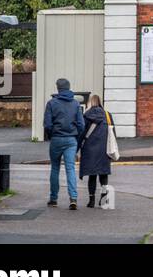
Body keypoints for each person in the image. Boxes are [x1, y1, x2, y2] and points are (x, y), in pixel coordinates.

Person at [43, 78, 85, 209]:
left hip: (56, 138)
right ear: (69, 87)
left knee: (55, 168)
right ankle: (73, 198)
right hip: (71, 139)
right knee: (70, 169)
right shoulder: (75, 104)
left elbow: (47, 124)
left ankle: (53, 199)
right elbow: (81, 125)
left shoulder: (51, 103)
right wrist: (76, 136)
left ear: (58, 88)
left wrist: (52, 135)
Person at [79, 94, 114, 209]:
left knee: (92, 175)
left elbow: (82, 133)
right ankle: (104, 200)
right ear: (100, 102)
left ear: (90, 102)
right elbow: (113, 134)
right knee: (103, 174)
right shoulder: (108, 115)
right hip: (104, 149)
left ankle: (91, 200)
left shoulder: (86, 115)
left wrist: (77, 148)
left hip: (90, 150)